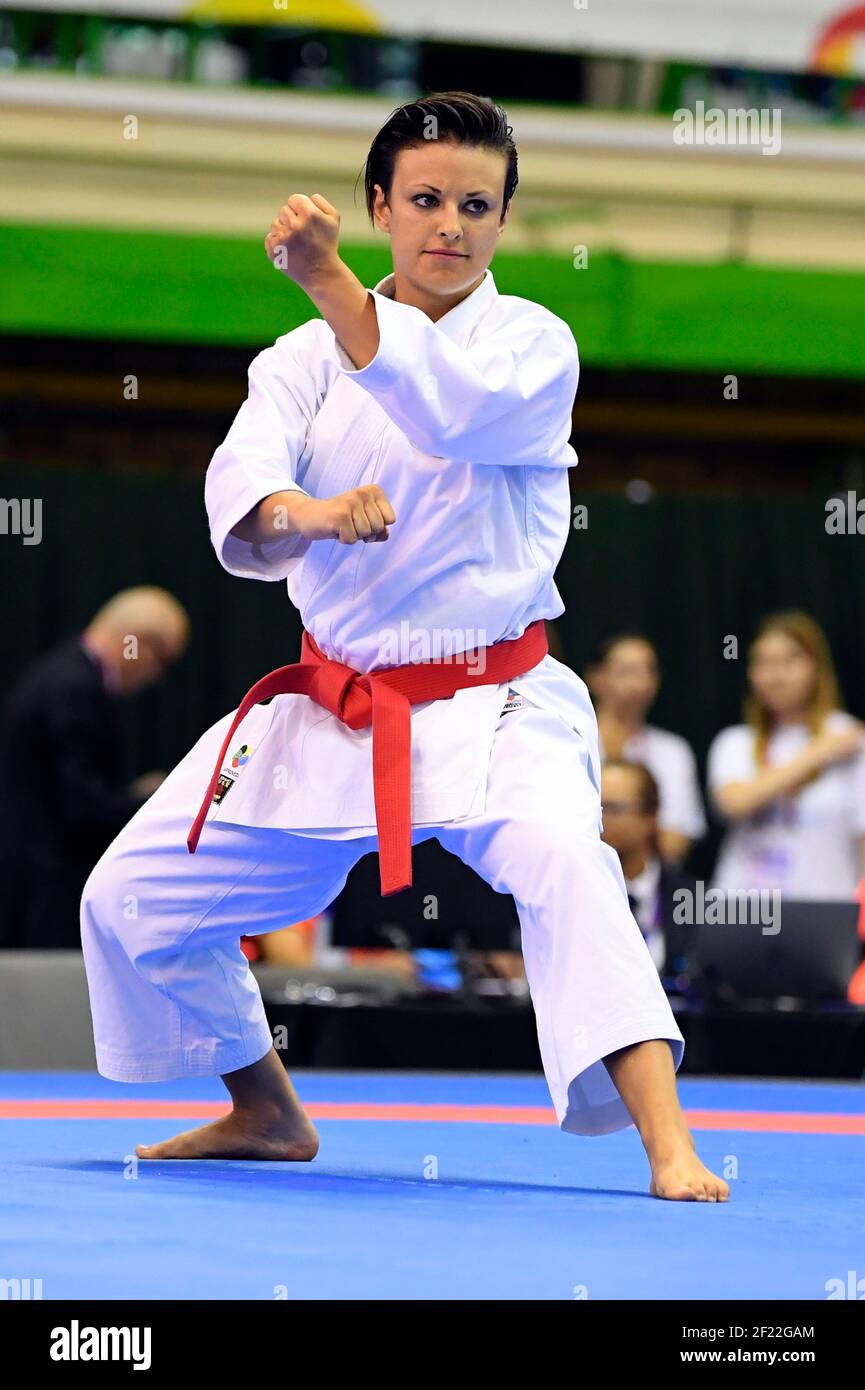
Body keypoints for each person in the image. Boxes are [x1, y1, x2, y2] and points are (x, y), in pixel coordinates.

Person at [80, 92, 727, 1201]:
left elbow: (446, 407)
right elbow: (241, 489)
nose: (451, 225)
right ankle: (265, 1108)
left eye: (477, 205)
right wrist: (313, 514)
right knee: (130, 895)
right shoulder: (295, 360)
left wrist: (327, 279)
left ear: (503, 219)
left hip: (495, 699)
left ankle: (669, 1142)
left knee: (570, 865)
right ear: (381, 204)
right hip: (335, 704)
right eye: (426, 200)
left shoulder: (532, 344)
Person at [0, 586, 188, 948]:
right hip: (44, 901)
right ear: (139, 642)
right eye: (162, 661)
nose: (157, 677)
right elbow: (83, 809)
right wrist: (154, 799)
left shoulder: (60, 676)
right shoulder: (75, 688)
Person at [708, 611, 865, 900]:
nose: (775, 675)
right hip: (743, 908)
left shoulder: (851, 739)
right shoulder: (735, 742)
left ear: (816, 666)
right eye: (763, 662)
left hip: (828, 909)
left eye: (790, 661)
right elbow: (736, 802)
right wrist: (818, 752)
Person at [586, 634, 706, 864]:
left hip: (647, 881)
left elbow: (676, 839)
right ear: (595, 677)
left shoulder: (672, 751)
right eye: (627, 671)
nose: (641, 683)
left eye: (649, 671)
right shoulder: (568, 742)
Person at [600, 760, 697, 984]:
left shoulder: (690, 900)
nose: (599, 819)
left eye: (612, 809)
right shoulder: (570, 893)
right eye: (596, 807)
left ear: (650, 817)